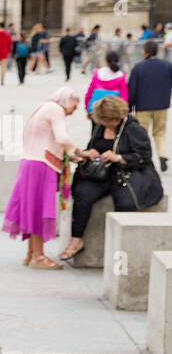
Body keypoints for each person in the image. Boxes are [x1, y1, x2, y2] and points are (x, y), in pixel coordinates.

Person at [59, 96, 165, 262]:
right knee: (82, 194)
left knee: (125, 203)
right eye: (104, 121)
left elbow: (144, 156)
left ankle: (123, 250)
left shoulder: (133, 128)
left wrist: (118, 157)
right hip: (102, 173)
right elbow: (93, 145)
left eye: (110, 121)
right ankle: (76, 239)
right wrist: (90, 153)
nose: (107, 124)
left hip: (127, 173)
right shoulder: (101, 126)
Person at [2, 87, 80, 269]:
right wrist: (77, 150)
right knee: (38, 209)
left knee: (32, 208)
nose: (72, 112)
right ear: (67, 101)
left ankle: (31, 254)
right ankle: (39, 256)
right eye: (73, 107)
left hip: (29, 161)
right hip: (41, 164)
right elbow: (61, 137)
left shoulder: (44, 106)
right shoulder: (56, 110)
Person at [127, 39, 172, 171]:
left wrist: (130, 106)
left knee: (142, 134)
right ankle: (162, 154)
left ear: (145, 52)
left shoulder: (138, 67)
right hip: (162, 105)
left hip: (143, 106)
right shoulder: (167, 65)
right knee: (160, 133)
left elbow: (132, 88)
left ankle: (144, 158)